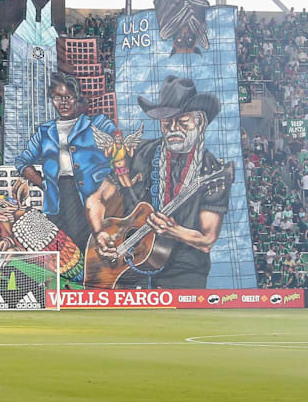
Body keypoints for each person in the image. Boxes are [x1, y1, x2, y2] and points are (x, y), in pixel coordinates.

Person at [86, 76, 232, 289]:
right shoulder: (141, 154)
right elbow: (96, 199)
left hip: (185, 270)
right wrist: (100, 233)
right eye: (166, 122)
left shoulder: (212, 171)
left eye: (182, 122)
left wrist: (173, 231)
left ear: (199, 123)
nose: (173, 129)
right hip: (126, 264)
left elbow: (207, 239)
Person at [11, 72, 116, 246]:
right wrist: (43, 183)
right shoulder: (45, 131)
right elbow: (23, 161)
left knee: (85, 242)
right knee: (61, 244)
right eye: (57, 98)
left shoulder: (97, 124)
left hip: (91, 195)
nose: (63, 103)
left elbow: (120, 147)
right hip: (57, 196)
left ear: (77, 99)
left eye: (68, 97)